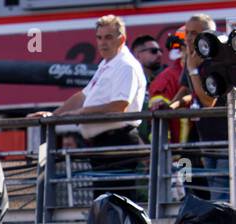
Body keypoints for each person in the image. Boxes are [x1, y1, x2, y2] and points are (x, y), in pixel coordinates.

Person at [28, 16, 146, 201]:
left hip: (117, 142)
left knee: (116, 203)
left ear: (121, 39)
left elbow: (119, 106)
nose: (102, 43)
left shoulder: (125, 65)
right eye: (99, 37)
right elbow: (82, 96)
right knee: (107, 202)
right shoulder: (108, 63)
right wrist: (54, 115)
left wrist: (80, 113)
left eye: (108, 37)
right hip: (105, 143)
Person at [159, 15, 227, 201]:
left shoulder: (218, 59)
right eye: (187, 32)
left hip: (225, 141)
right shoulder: (193, 58)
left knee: (221, 197)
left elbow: (208, 101)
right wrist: (171, 105)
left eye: (194, 33)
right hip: (203, 140)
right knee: (207, 192)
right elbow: (186, 89)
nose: (188, 38)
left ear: (208, 36)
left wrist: (193, 69)